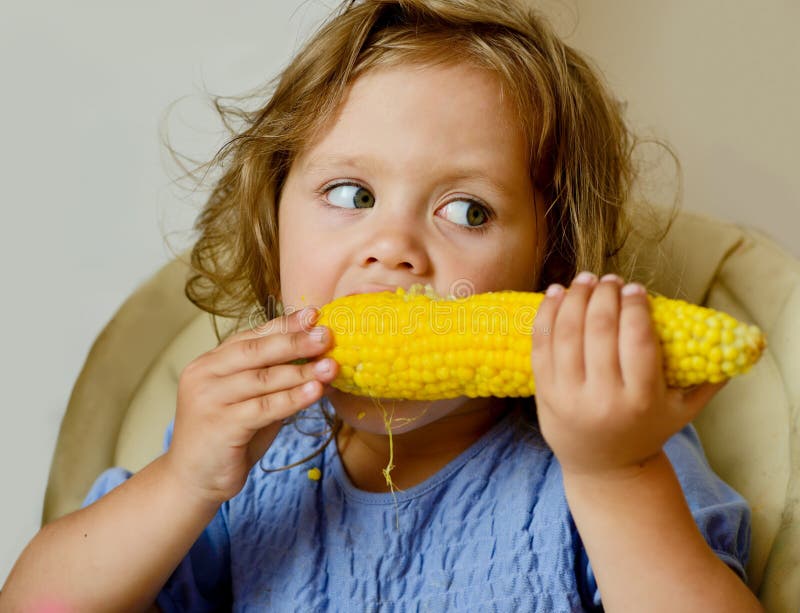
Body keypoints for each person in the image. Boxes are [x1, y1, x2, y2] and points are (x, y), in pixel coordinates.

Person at [1, 0, 762, 610]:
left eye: (467, 210)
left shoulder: (613, 446)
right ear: (271, 233)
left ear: (550, 267)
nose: (393, 246)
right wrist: (183, 480)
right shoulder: (239, 462)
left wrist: (616, 477)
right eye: (351, 194)